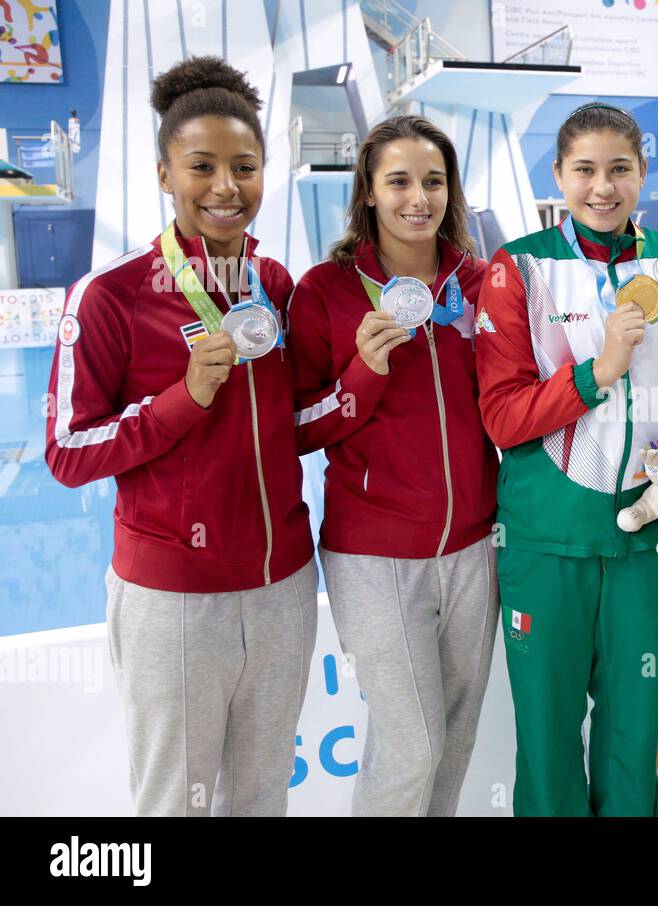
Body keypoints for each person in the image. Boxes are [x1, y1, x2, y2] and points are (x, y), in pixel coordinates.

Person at [45, 57, 317, 816]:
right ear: (166, 174)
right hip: (174, 597)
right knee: (175, 805)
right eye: (202, 167)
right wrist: (181, 400)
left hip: (282, 585)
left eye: (245, 166)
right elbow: (68, 452)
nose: (226, 187)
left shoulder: (276, 286)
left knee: (262, 795)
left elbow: (289, 425)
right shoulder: (111, 296)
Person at [474, 102, 658, 817]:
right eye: (584, 169)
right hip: (546, 541)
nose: (602, 187)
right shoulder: (517, 266)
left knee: (632, 737)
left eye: (620, 169)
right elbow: (502, 416)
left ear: (642, 173)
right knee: (549, 745)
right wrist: (598, 372)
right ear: (558, 174)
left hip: (647, 544)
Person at [288, 115, 499, 817]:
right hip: (373, 553)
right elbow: (295, 429)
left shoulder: (481, 282)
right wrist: (363, 376)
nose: (419, 198)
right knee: (411, 745)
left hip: (474, 546)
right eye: (399, 181)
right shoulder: (327, 290)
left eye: (434, 181)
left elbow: (509, 402)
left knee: (455, 740)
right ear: (368, 193)